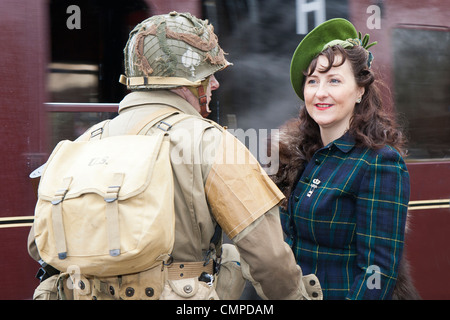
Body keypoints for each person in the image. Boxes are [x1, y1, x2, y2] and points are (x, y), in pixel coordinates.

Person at [28, 11, 322, 300]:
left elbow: (38, 245)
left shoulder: (84, 142)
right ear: (187, 84)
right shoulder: (213, 142)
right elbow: (269, 258)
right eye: (208, 76)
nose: (216, 84)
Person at [271, 18, 420, 299]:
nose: (320, 92)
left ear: (360, 90)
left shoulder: (379, 163)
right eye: (312, 81)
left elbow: (378, 272)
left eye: (334, 80)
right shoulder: (303, 156)